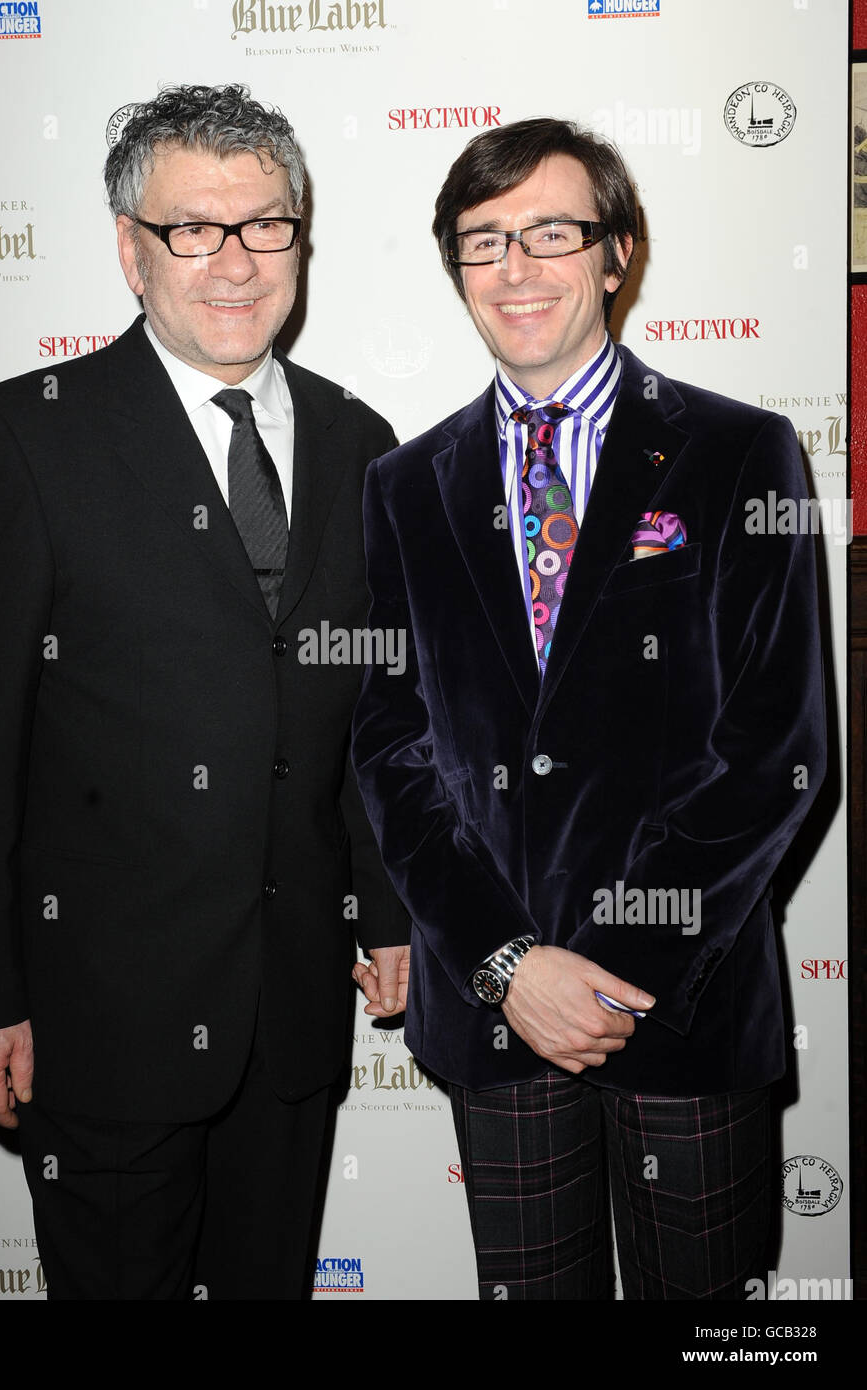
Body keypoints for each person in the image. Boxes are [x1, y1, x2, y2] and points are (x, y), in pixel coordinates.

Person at [0, 82, 408, 1302]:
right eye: (194, 228)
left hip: (293, 1014)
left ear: (301, 233)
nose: (234, 262)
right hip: (98, 1022)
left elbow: (369, 716)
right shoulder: (30, 435)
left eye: (264, 224)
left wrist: (387, 906)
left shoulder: (361, 442)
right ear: (131, 251)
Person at [352, 117, 825, 1300]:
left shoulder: (740, 452)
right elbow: (391, 744)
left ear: (617, 252)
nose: (514, 268)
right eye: (482, 241)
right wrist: (512, 965)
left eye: (549, 233)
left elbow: (776, 753)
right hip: (496, 1015)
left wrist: (604, 972)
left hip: (682, 1004)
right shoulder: (406, 485)